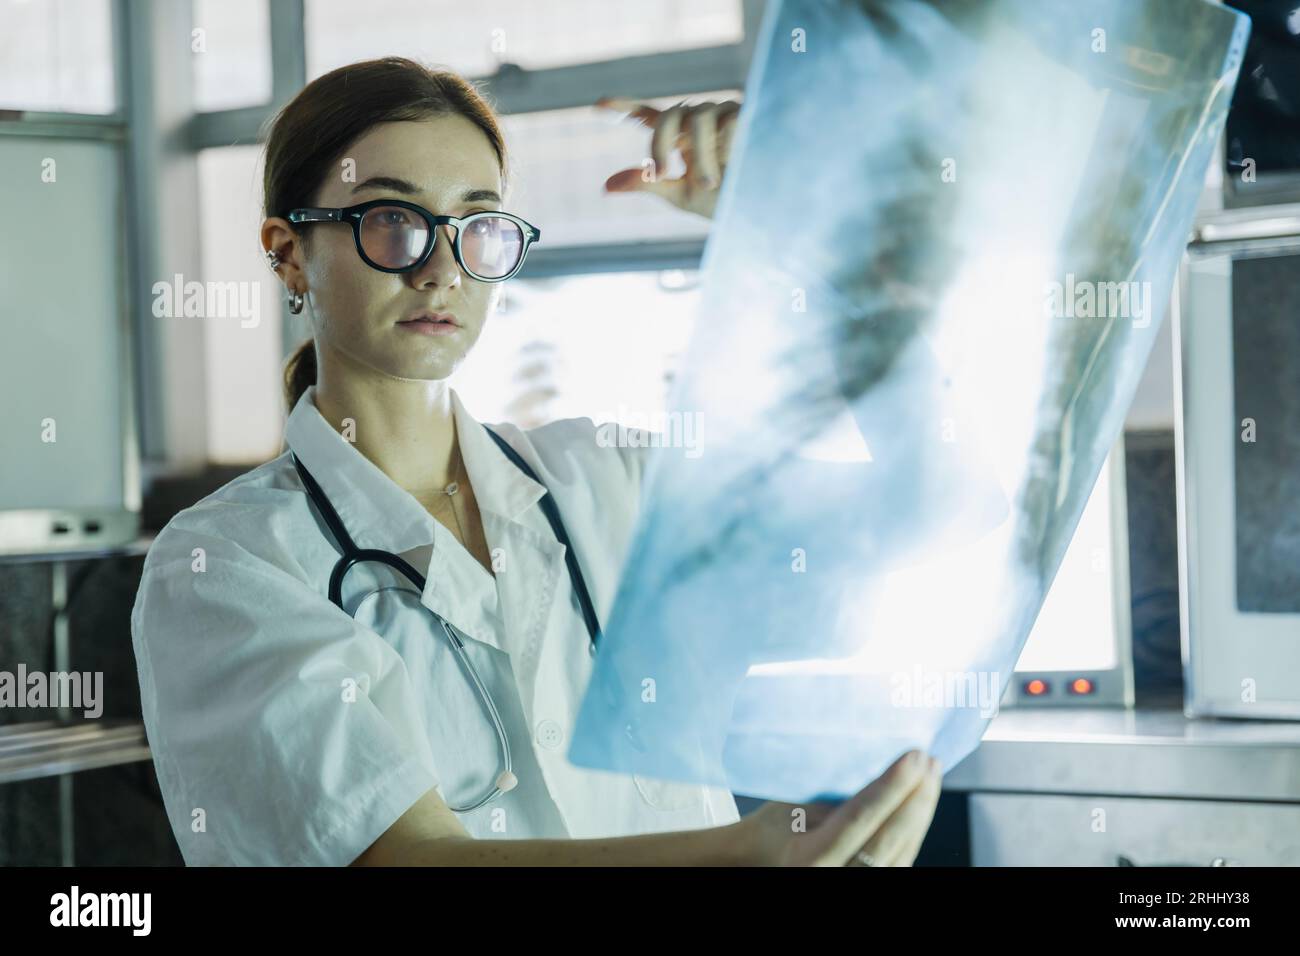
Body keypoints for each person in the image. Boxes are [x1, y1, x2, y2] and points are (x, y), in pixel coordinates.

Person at [130, 56, 942, 867]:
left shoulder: (610, 480)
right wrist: (752, 855)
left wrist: (808, 236)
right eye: (390, 219)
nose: (441, 267)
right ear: (289, 254)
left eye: (477, 225)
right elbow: (409, 860)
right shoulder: (225, 566)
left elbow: (932, 505)